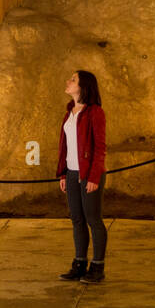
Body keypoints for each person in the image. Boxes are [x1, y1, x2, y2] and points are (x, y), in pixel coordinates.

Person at [55, 70, 107, 283]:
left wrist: (94, 177)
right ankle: (79, 263)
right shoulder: (69, 112)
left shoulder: (95, 112)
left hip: (89, 174)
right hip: (72, 172)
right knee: (77, 219)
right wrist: (64, 173)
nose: (68, 81)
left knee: (93, 219)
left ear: (83, 86)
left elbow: (100, 147)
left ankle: (97, 267)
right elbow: (64, 146)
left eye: (73, 80)